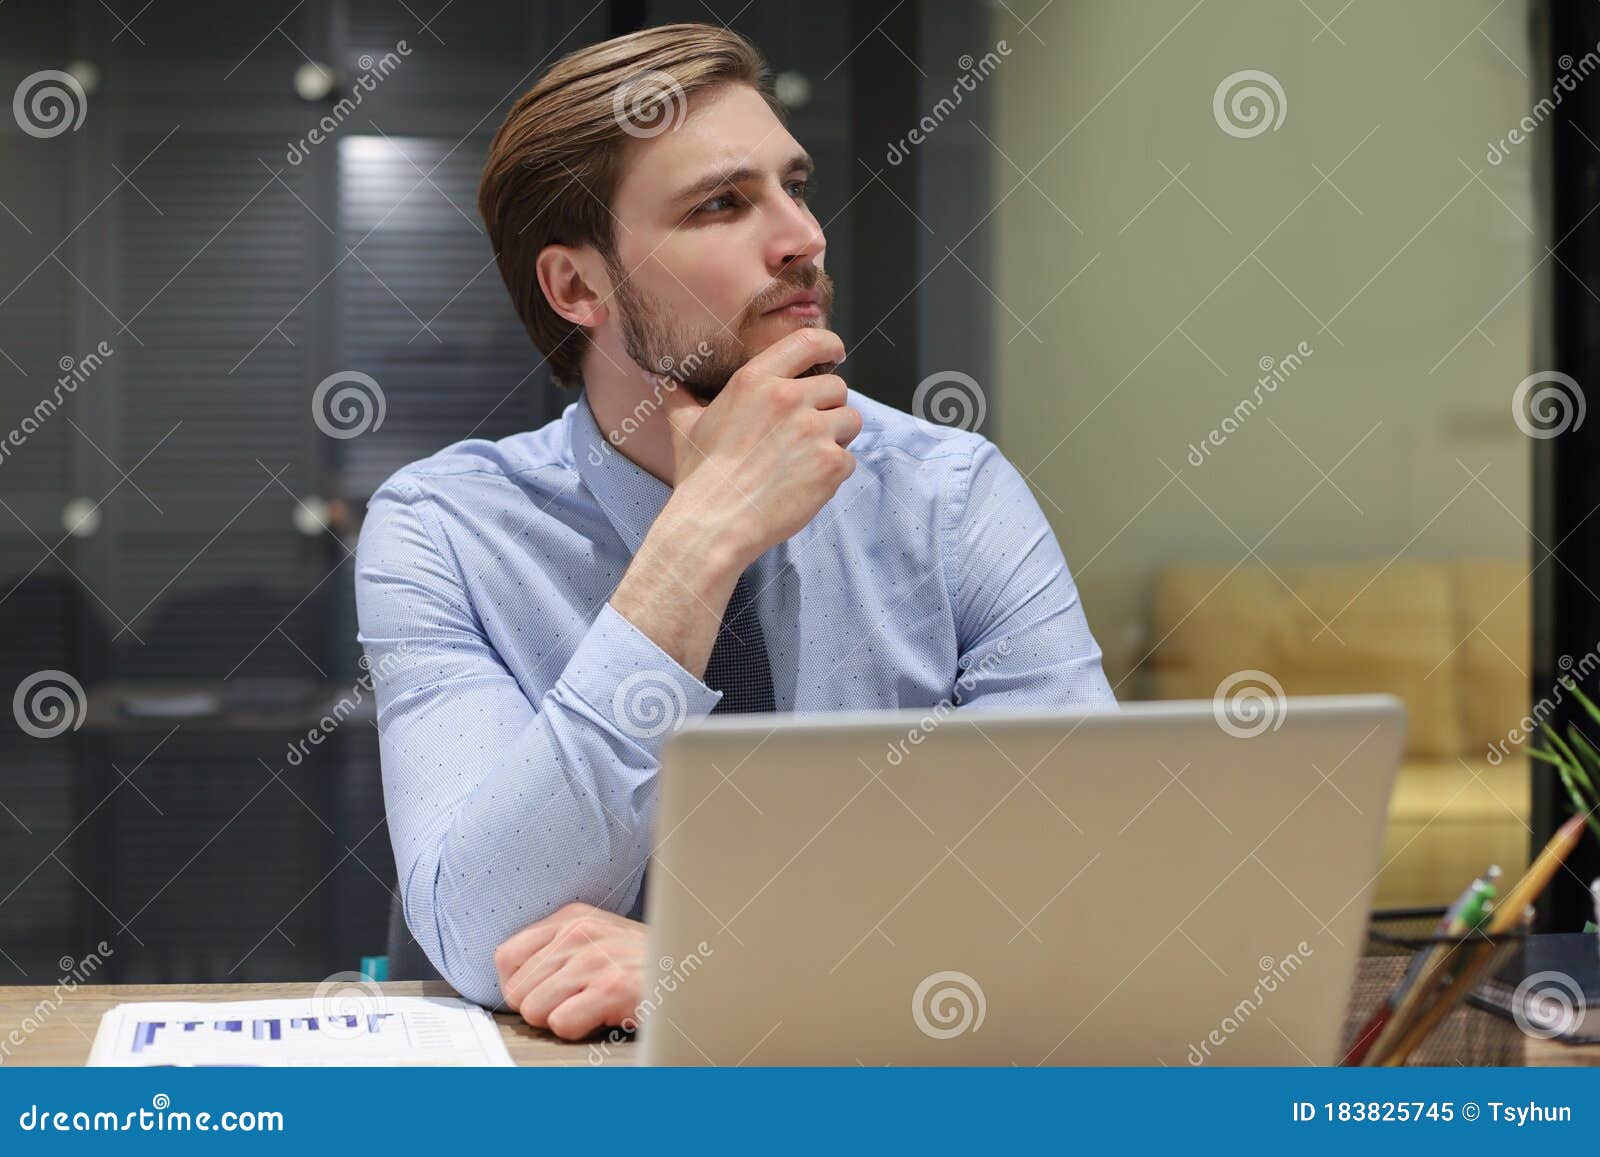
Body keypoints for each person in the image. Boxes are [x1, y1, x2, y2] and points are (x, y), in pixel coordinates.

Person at [353, 22, 1116, 1041]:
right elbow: (481, 923)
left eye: (792, 186)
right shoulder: (442, 529)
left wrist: (728, 968)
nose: (802, 236)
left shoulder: (948, 493)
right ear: (576, 287)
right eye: (722, 203)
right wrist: (699, 538)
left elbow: (1089, 885)